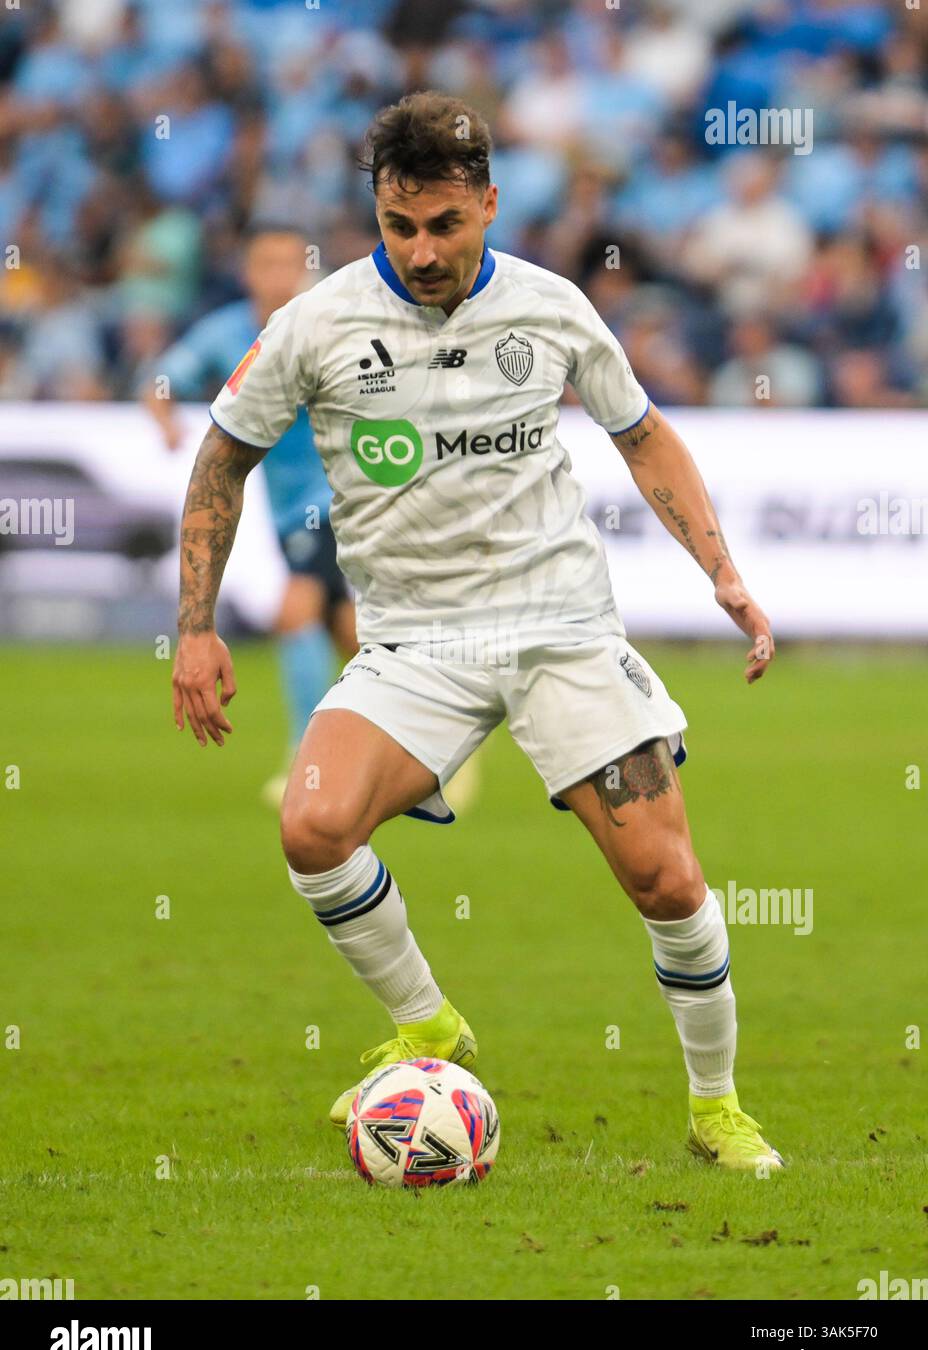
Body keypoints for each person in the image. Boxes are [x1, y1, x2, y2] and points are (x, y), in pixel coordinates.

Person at [172, 93, 783, 1172]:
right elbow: (221, 458)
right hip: (413, 642)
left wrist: (723, 573)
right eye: (398, 225)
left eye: (445, 225)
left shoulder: (551, 309)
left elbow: (644, 437)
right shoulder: (316, 323)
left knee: (668, 881)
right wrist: (195, 626)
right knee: (313, 828)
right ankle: (430, 1025)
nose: (421, 251)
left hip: (560, 628)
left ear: (489, 204)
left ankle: (715, 1108)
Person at [144, 223, 356, 800]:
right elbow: (159, 380)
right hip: (288, 512)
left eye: (290, 264)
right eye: (266, 264)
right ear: (248, 272)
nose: (279, 276)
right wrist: (164, 419)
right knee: (349, 632)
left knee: (295, 610)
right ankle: (431, 741)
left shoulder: (328, 326)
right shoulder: (228, 332)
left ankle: (308, 759)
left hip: (339, 499)